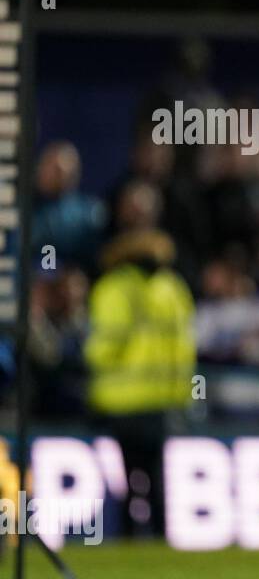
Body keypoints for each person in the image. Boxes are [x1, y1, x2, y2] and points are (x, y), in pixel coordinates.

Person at [84, 229, 196, 538]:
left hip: (121, 399)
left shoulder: (114, 288)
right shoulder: (173, 288)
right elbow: (184, 347)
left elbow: (105, 346)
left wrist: (85, 363)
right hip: (161, 400)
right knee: (157, 475)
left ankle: (129, 534)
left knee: (127, 474)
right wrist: (183, 393)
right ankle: (162, 536)